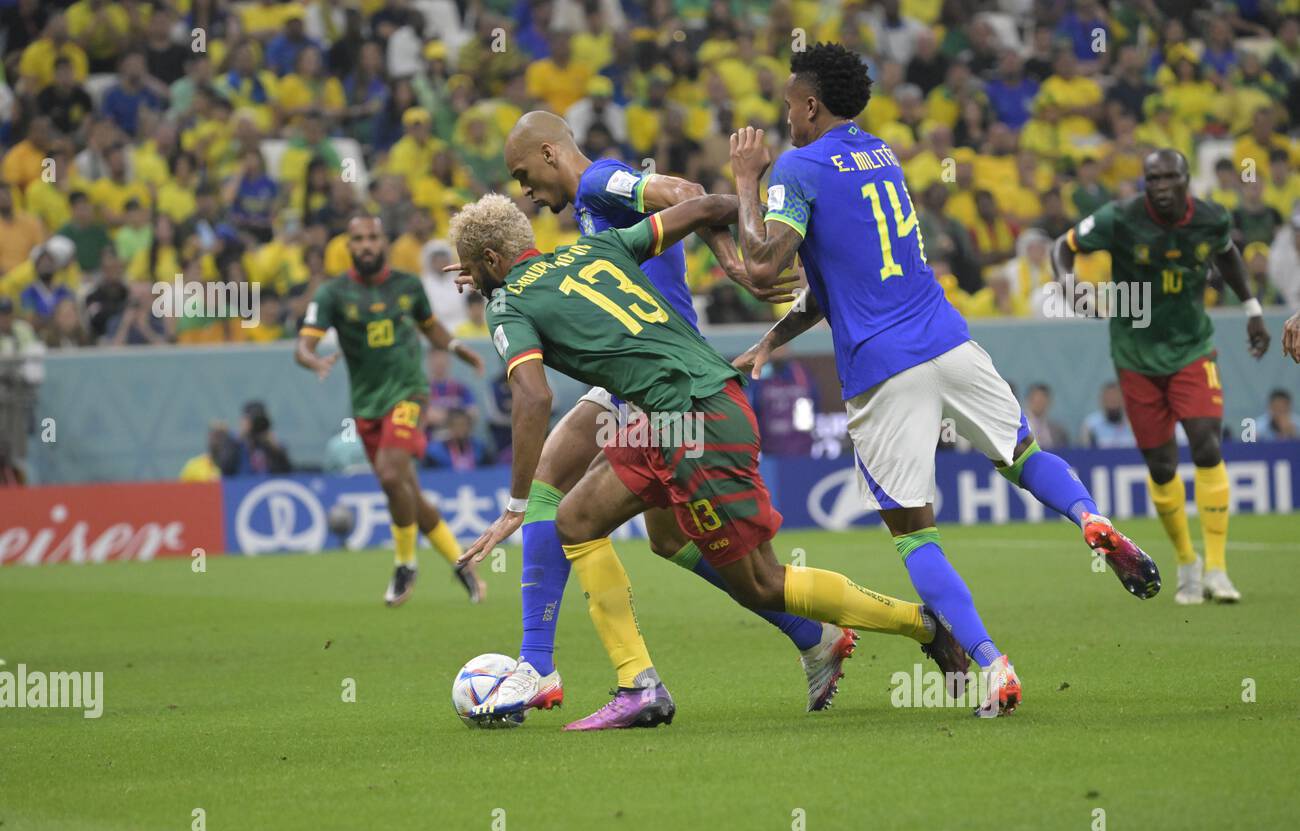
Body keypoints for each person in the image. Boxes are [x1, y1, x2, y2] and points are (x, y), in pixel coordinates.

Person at [730, 43, 1161, 717]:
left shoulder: (795, 166)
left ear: (811, 104)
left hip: (881, 365)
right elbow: (830, 287)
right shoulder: (883, 156)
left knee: (915, 535)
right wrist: (770, 342)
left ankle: (993, 665)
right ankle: (1091, 517)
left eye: (789, 104)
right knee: (1023, 456)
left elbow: (761, 266)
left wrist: (745, 179)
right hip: (949, 339)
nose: (784, 116)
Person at [451, 192, 966, 730]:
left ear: (489, 262)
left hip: (698, 421)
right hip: (676, 409)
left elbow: (533, 398)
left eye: (472, 271)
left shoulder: (507, 303)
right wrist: (747, 249)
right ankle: (639, 687)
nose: (470, 285)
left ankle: (924, 625)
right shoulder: (594, 250)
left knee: (761, 583)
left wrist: (515, 504)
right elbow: (702, 207)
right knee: (577, 520)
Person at [449, 110, 861, 721]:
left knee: (547, 491)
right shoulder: (586, 213)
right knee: (671, 540)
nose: (526, 192)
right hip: (648, 373)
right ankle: (814, 636)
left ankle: (541, 665)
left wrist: (734, 263)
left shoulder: (598, 183)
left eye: (524, 175)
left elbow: (690, 196)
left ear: (549, 152)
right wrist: (491, 278)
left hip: (651, 371)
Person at [1053, 148, 1271, 605]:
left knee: (1207, 443)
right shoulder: (1119, 218)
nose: (1162, 186)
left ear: (1187, 179)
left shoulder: (1210, 217)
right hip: (1137, 355)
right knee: (1162, 465)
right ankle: (1187, 561)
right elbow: (1064, 248)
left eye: (1170, 177)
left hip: (1193, 347)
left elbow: (1229, 256)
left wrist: (1252, 308)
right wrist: (1069, 287)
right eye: (1153, 179)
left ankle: (1217, 567)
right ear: (1145, 182)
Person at [296, 215, 486, 607]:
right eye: (358, 238)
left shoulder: (407, 286)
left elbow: (430, 327)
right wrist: (312, 361)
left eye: (372, 237)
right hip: (367, 405)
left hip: (408, 393)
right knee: (407, 492)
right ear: (349, 246)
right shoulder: (333, 294)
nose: (366, 244)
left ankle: (405, 565)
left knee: (389, 471)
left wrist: (455, 348)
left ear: (383, 242)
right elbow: (303, 346)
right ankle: (462, 564)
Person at [1079, 382, 1137, 448]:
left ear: (1123, 399)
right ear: (1101, 400)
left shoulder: (1135, 423)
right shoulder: (1090, 424)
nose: (1112, 400)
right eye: (1108, 397)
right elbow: (1085, 452)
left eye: (1116, 397)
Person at [1023, 383, 1069, 449]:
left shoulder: (1059, 431)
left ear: (1049, 402)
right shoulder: (1019, 427)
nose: (1039, 404)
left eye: (1042, 400)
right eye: (1037, 400)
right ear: (1029, 400)